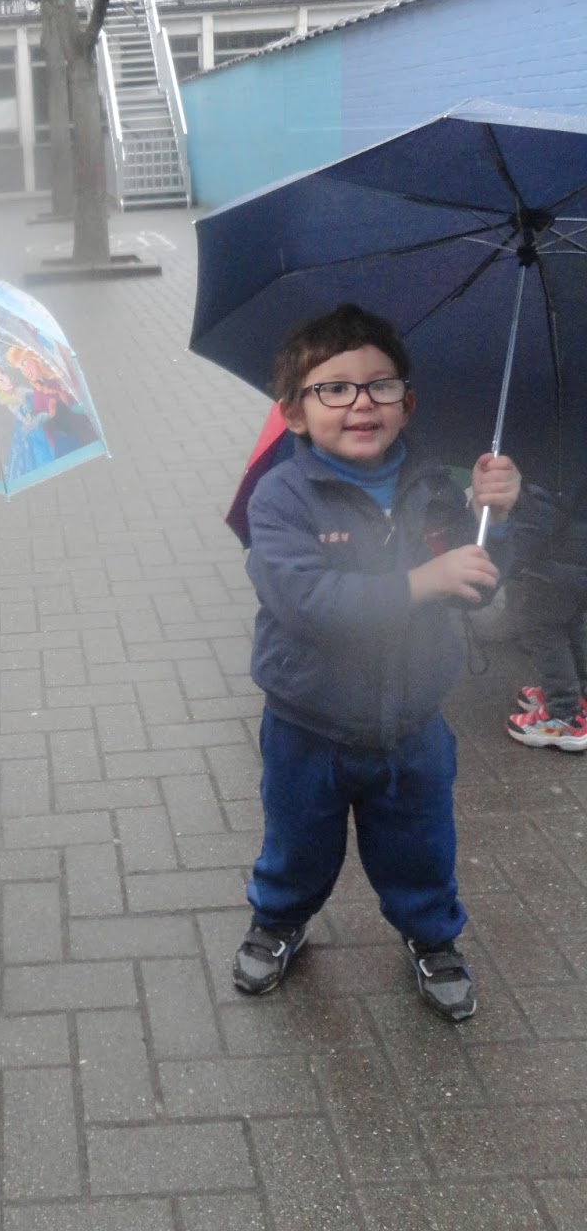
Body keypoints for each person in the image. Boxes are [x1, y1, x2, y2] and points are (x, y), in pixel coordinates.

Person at [235, 304, 521, 1022]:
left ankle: (432, 937)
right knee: (297, 841)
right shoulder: (282, 498)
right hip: (309, 724)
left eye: (380, 386)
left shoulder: (435, 490)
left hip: (413, 721)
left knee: (421, 846)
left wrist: (497, 519)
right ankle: (278, 921)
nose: (361, 402)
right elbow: (307, 601)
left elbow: (476, 580)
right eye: (335, 389)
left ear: (407, 403)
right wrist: (422, 582)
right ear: (295, 413)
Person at [505, 477, 587, 751]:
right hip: (577, 565)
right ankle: (580, 697)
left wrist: (506, 566)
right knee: (573, 623)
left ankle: (564, 716)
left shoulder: (553, 467)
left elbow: (534, 524)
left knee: (544, 630)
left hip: (554, 569)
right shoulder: (575, 450)